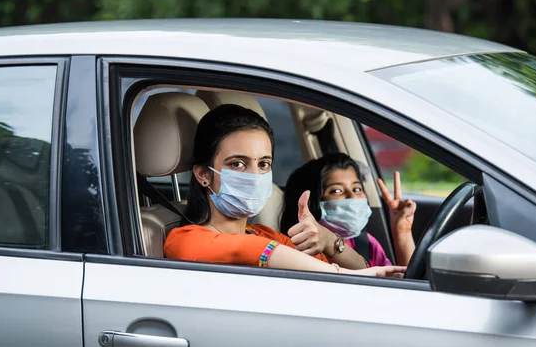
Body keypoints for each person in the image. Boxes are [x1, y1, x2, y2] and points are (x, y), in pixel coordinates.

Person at [164, 104, 405, 278]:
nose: (255, 176)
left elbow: (361, 269)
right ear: (203, 175)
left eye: (263, 164)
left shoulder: (264, 234)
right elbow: (247, 250)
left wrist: (329, 240)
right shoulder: (184, 239)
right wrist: (346, 273)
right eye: (237, 164)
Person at [280, 153, 416, 267]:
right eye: (336, 191)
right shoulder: (299, 250)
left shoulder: (366, 243)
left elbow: (402, 284)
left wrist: (402, 232)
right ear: (312, 202)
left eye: (357, 189)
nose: (353, 197)